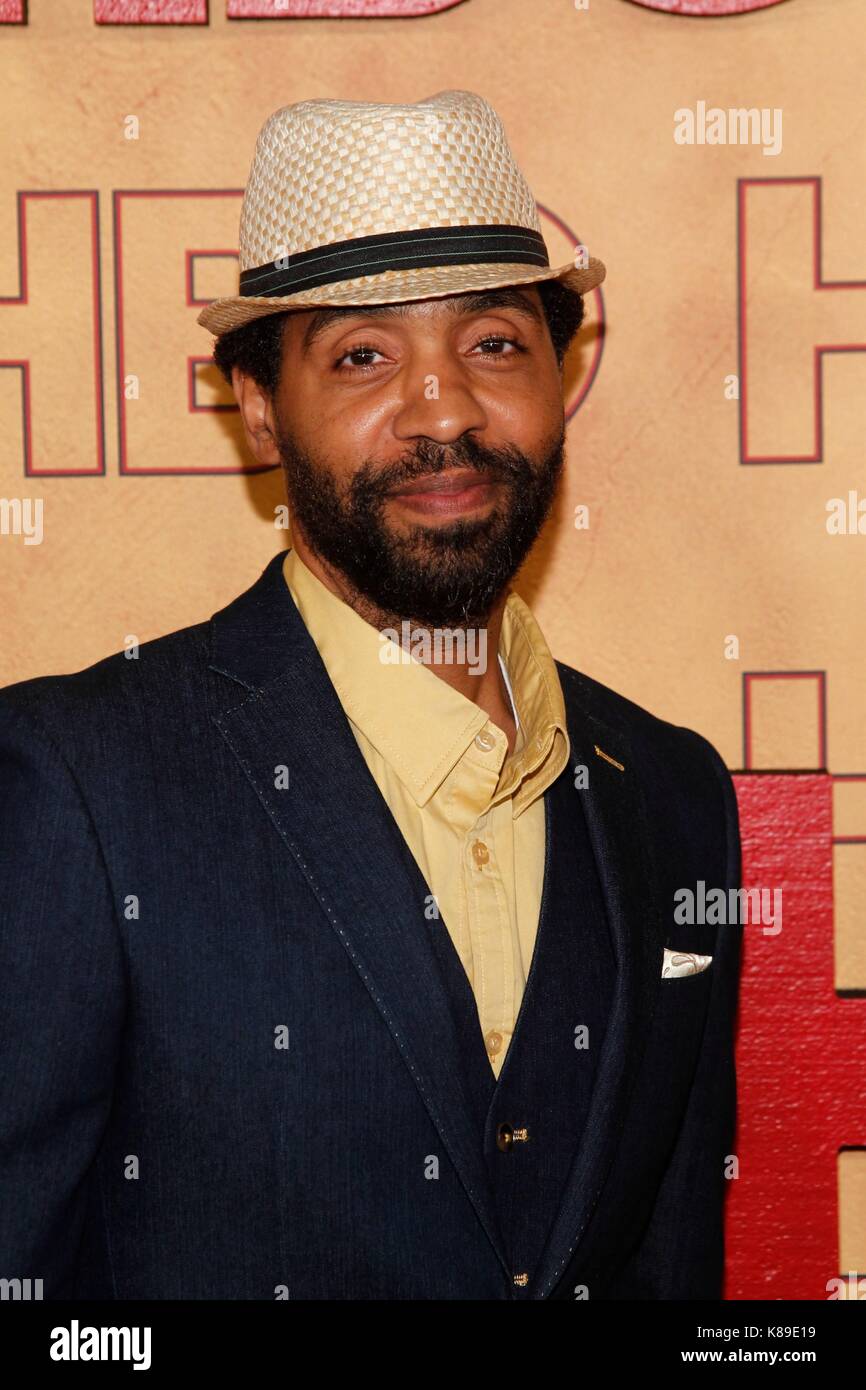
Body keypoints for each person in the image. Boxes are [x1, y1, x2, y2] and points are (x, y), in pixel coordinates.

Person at [0, 90, 742, 1300]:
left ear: (561, 376)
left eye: (493, 343)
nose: (442, 408)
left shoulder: (669, 791)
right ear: (256, 405)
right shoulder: (75, 782)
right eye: (362, 356)